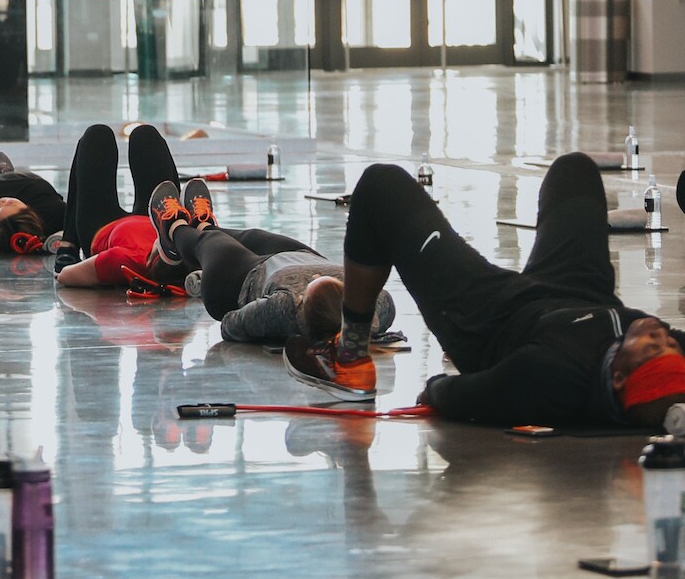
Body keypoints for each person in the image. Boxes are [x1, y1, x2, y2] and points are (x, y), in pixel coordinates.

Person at [286, 153, 685, 424]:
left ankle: (350, 357)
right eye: (668, 343)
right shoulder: (655, 361)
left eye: (652, 346)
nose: (659, 332)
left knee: (380, 186)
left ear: (617, 377)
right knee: (574, 170)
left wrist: (445, 385)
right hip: (581, 292)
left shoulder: (551, 375)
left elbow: (458, 395)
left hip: (493, 317)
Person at [126, 176, 397, 344]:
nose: (314, 278)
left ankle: (175, 230)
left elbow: (232, 325)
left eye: (311, 286)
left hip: (245, 280)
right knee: (253, 235)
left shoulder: (283, 307)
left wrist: (270, 326)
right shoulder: (377, 304)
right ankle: (204, 224)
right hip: (297, 259)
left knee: (210, 243)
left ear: (301, 305)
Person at [51, 122, 187, 292]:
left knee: (97, 134)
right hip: (156, 220)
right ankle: (177, 214)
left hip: (102, 227)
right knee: (146, 134)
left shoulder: (124, 260)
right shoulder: (183, 249)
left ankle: (68, 243)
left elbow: (65, 276)